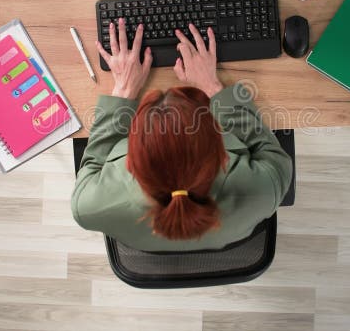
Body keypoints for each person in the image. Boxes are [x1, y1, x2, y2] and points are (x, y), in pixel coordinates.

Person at [72, 18, 292, 251]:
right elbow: (268, 150)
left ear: (131, 158)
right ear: (219, 148)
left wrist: (123, 91)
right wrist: (212, 87)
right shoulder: (267, 188)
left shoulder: (88, 206)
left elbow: (94, 163)